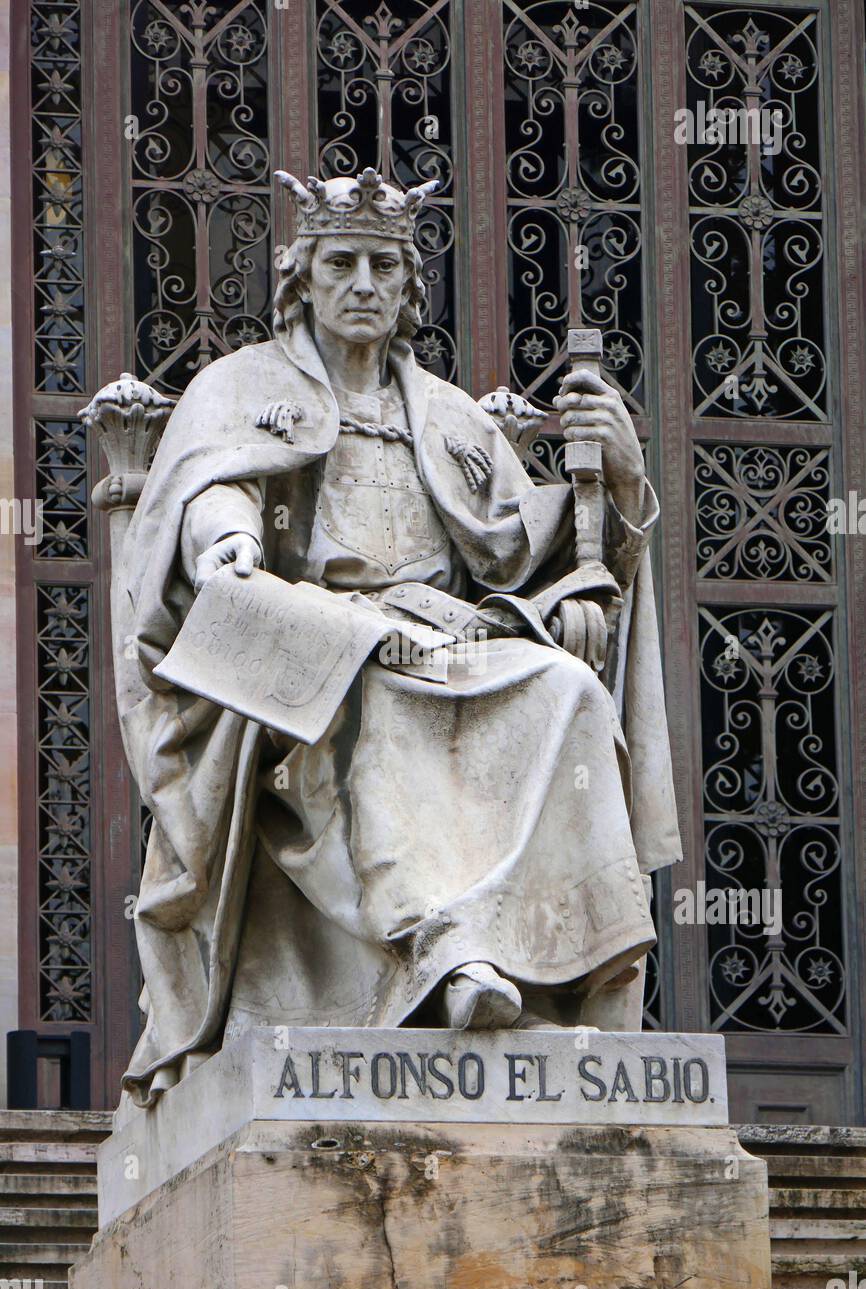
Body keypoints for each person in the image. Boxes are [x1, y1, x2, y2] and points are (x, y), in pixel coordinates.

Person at [117, 169, 681, 1106]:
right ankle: (446, 946)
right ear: (301, 278)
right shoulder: (242, 389)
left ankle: (581, 976)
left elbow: (536, 558)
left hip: (456, 640)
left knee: (568, 693)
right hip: (312, 642)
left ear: (410, 286)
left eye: (384, 265)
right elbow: (211, 493)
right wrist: (229, 545)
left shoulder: (453, 419)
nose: (364, 283)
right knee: (369, 678)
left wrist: (619, 489)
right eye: (341, 263)